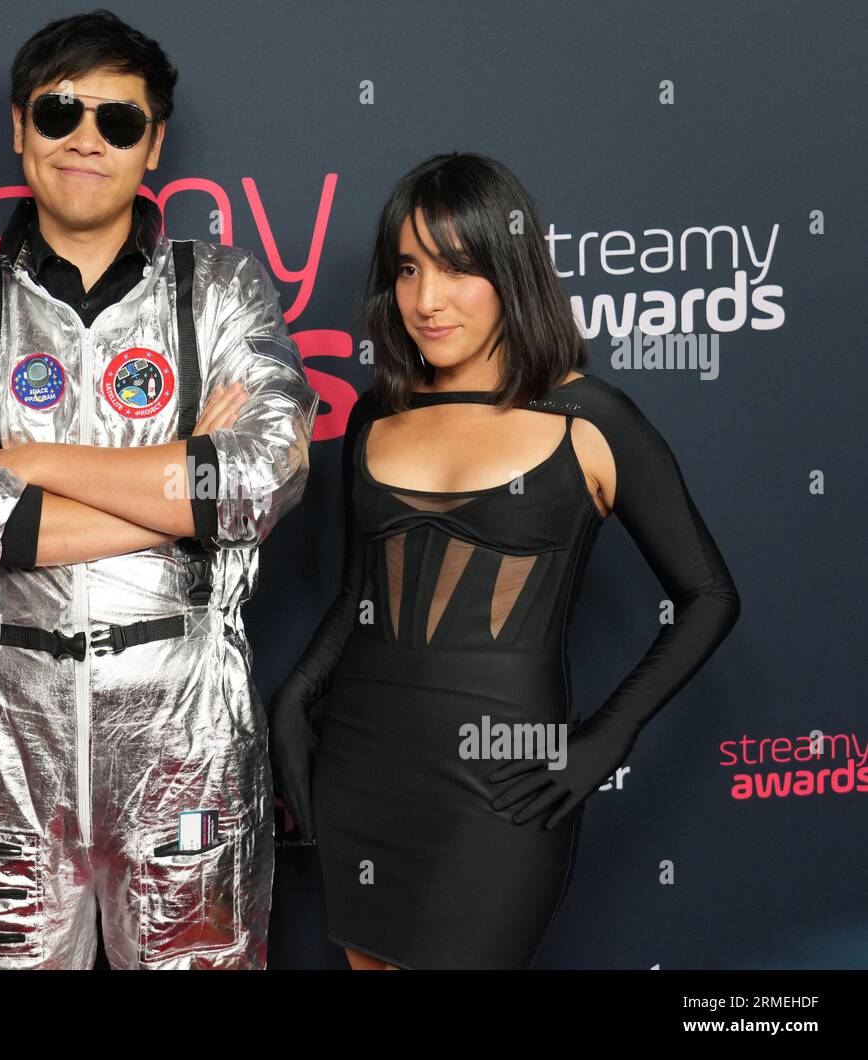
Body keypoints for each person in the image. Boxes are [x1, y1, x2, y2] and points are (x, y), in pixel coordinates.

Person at [0, 10, 317, 969]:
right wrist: (183, 495)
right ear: (18, 128)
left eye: (119, 121)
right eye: (60, 112)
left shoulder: (224, 293)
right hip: (1, 729)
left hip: (185, 729)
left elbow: (257, 480)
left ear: (155, 143)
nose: (87, 138)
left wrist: (28, 464)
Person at [269, 152, 740, 970]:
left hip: (505, 780)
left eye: (458, 269)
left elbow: (707, 596)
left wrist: (604, 741)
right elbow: (359, 595)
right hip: (362, 766)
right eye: (409, 269)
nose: (426, 300)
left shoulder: (588, 417)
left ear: (512, 271)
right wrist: (291, 704)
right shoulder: (382, 413)